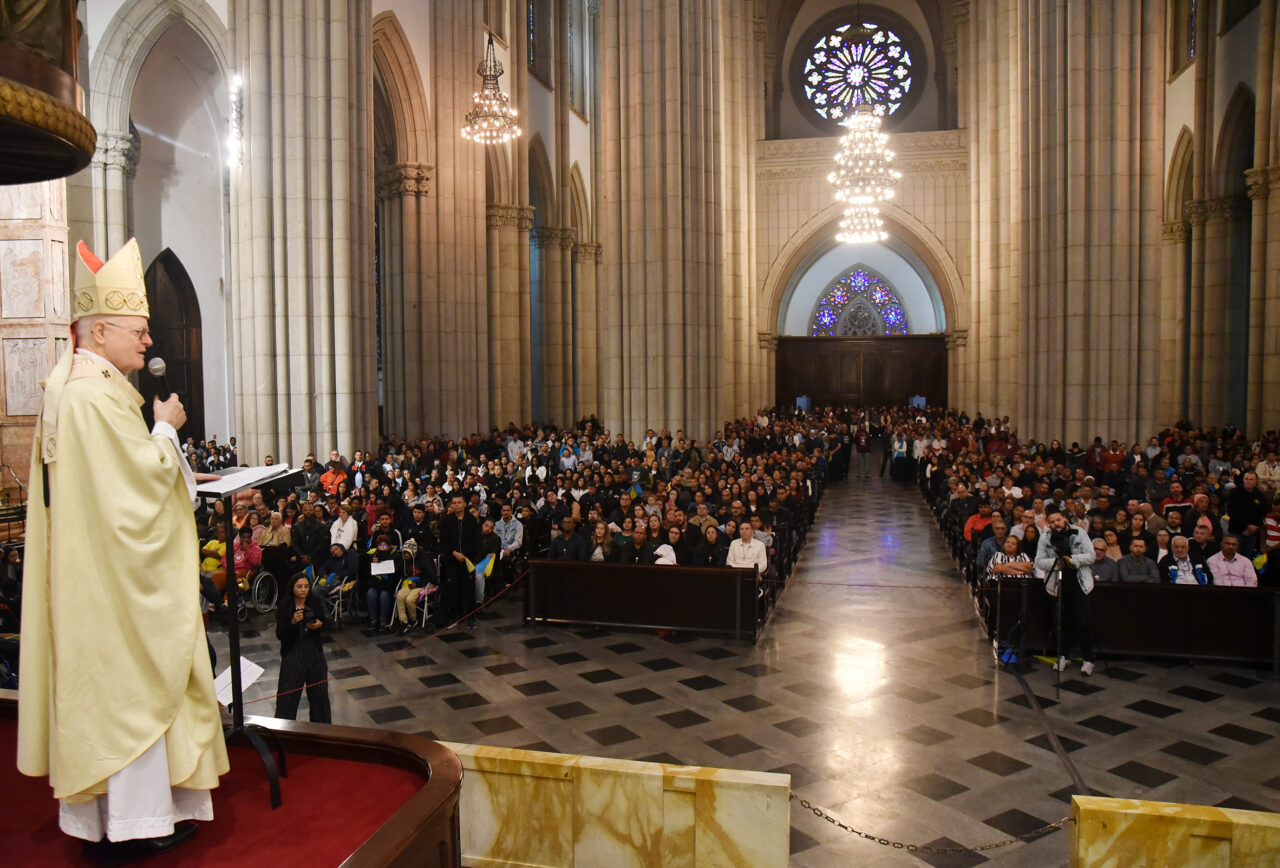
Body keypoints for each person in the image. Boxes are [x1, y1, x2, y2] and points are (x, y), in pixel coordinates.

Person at [19, 238, 228, 856]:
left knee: (121, 688)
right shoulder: (90, 397)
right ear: (101, 329)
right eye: (138, 331)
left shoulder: (83, 386)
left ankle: (139, 817)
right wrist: (166, 428)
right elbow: (135, 494)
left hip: (100, 572)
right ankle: (133, 827)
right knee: (127, 691)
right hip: (111, 586)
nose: (147, 342)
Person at [1036, 509, 1099, 675]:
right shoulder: (1045, 537)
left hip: (1080, 583)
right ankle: (1063, 655)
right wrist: (1057, 563)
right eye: (1052, 521)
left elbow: (1091, 556)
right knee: (1060, 622)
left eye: (1058, 520)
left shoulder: (1079, 533)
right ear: (1049, 524)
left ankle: (1088, 659)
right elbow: (1040, 562)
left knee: (1083, 622)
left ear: (1064, 519)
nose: (1056, 523)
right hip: (1057, 585)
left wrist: (1073, 561)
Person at [273, 572, 332, 723]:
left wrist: (319, 625)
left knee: (320, 697)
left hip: (314, 652)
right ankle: (283, 731)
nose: (303, 590)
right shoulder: (285, 605)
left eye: (306, 586)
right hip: (293, 652)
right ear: (292, 588)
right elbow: (280, 634)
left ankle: (322, 733)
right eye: (299, 586)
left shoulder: (316, 601)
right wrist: (292, 622)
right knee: (287, 697)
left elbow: (328, 622)